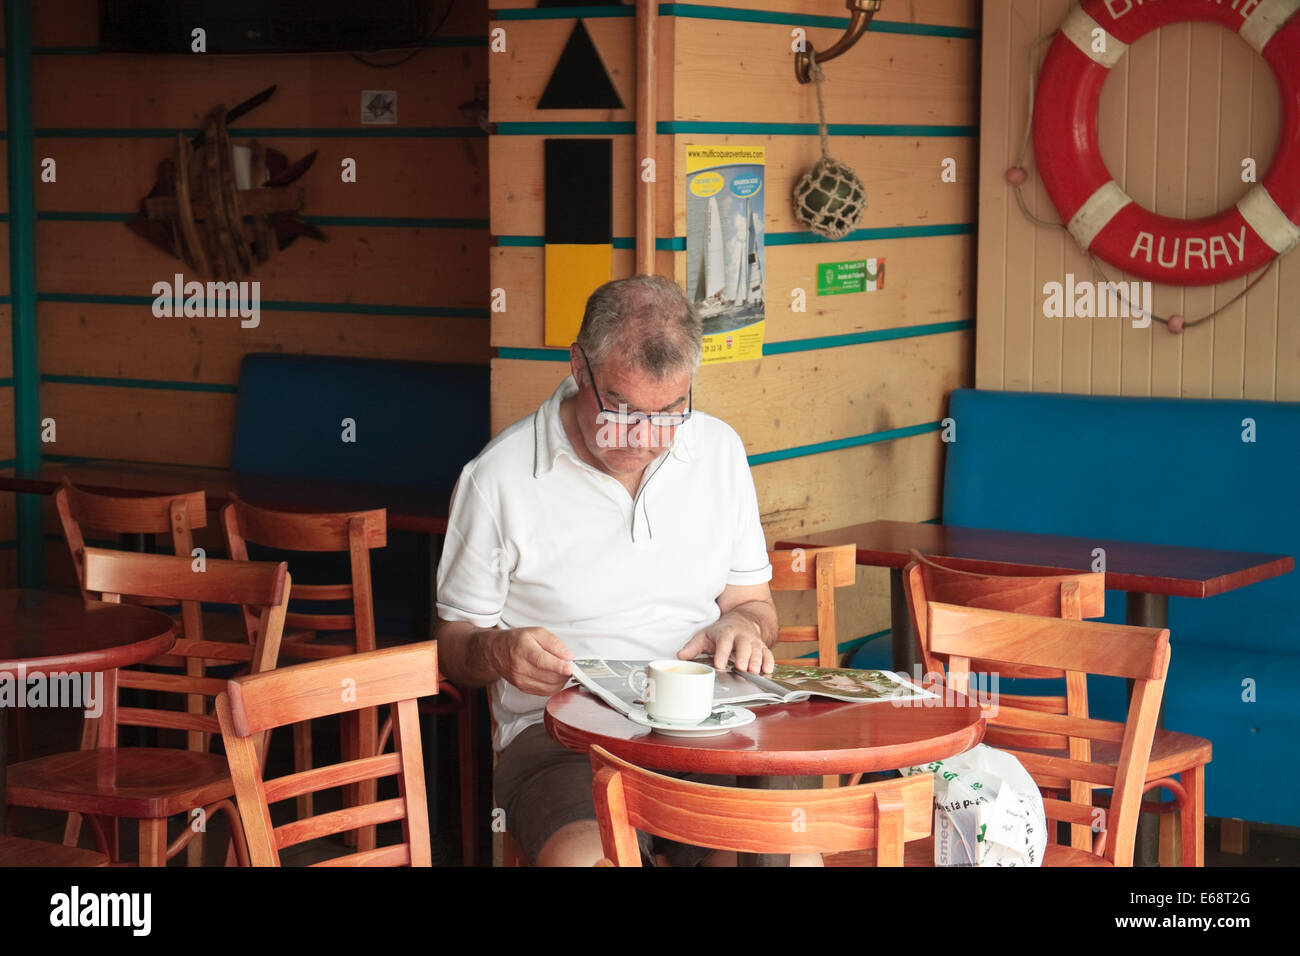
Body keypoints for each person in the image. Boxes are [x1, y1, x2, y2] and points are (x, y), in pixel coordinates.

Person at [434, 275, 816, 866]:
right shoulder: (498, 477)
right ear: (579, 367)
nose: (644, 439)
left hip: (708, 731)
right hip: (562, 741)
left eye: (669, 413)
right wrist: (500, 652)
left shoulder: (717, 451)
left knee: (787, 857)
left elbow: (755, 606)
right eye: (622, 409)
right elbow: (451, 648)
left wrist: (741, 626)